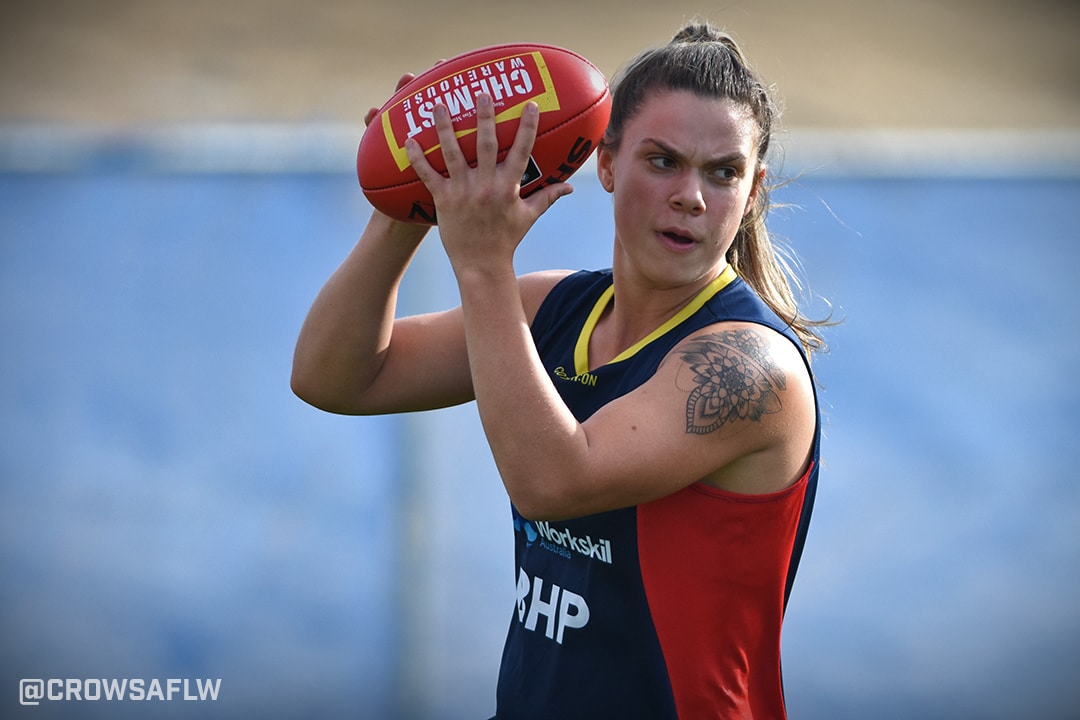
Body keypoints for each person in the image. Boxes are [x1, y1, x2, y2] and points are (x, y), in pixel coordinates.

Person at [292, 21, 828, 720]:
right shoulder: (556, 309)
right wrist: (416, 201)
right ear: (606, 164)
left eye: (723, 172)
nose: (692, 196)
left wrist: (484, 262)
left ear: (753, 191)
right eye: (662, 160)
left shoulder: (750, 368)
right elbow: (334, 376)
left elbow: (553, 481)